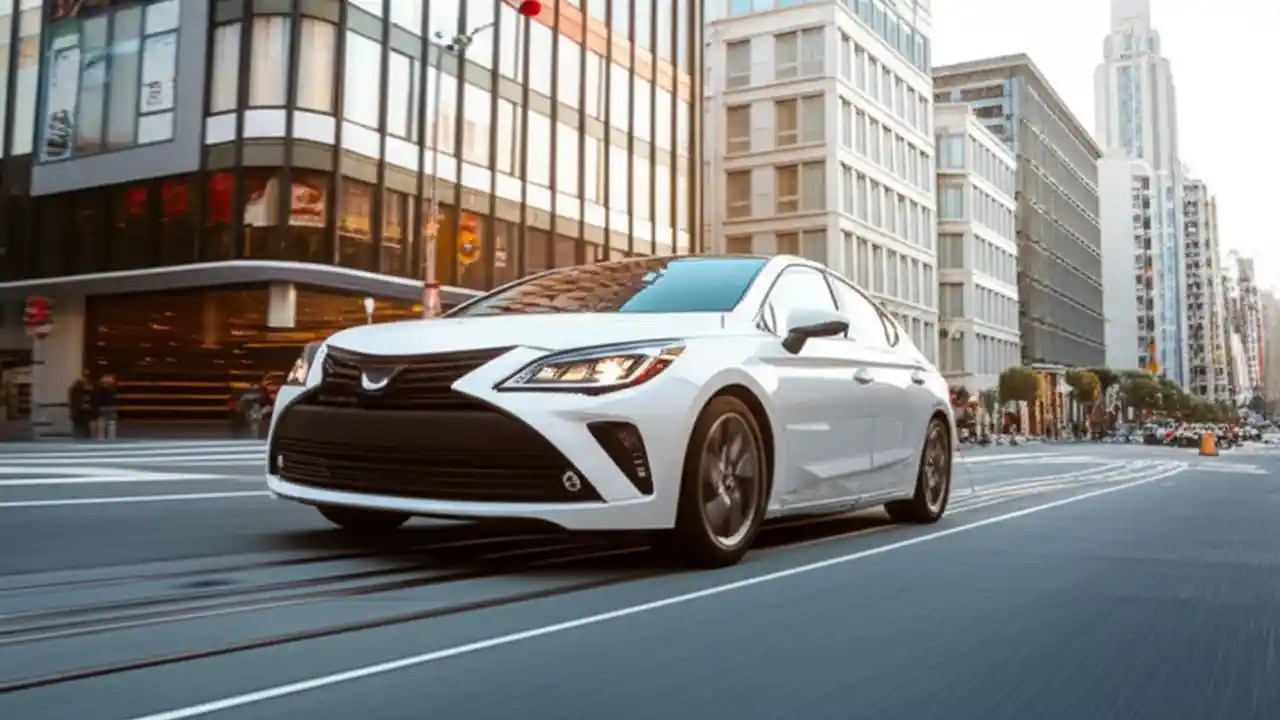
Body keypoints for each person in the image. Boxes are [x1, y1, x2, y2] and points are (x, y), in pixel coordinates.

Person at [91, 374, 120, 441]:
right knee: (109, 423)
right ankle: (110, 437)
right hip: (104, 409)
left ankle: (102, 437)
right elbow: (108, 401)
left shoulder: (97, 389)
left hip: (99, 409)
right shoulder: (105, 390)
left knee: (105, 423)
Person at [67, 371, 93, 439]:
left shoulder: (75, 392)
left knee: (79, 427)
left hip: (78, 412)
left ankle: (78, 437)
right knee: (82, 427)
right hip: (81, 412)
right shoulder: (80, 393)